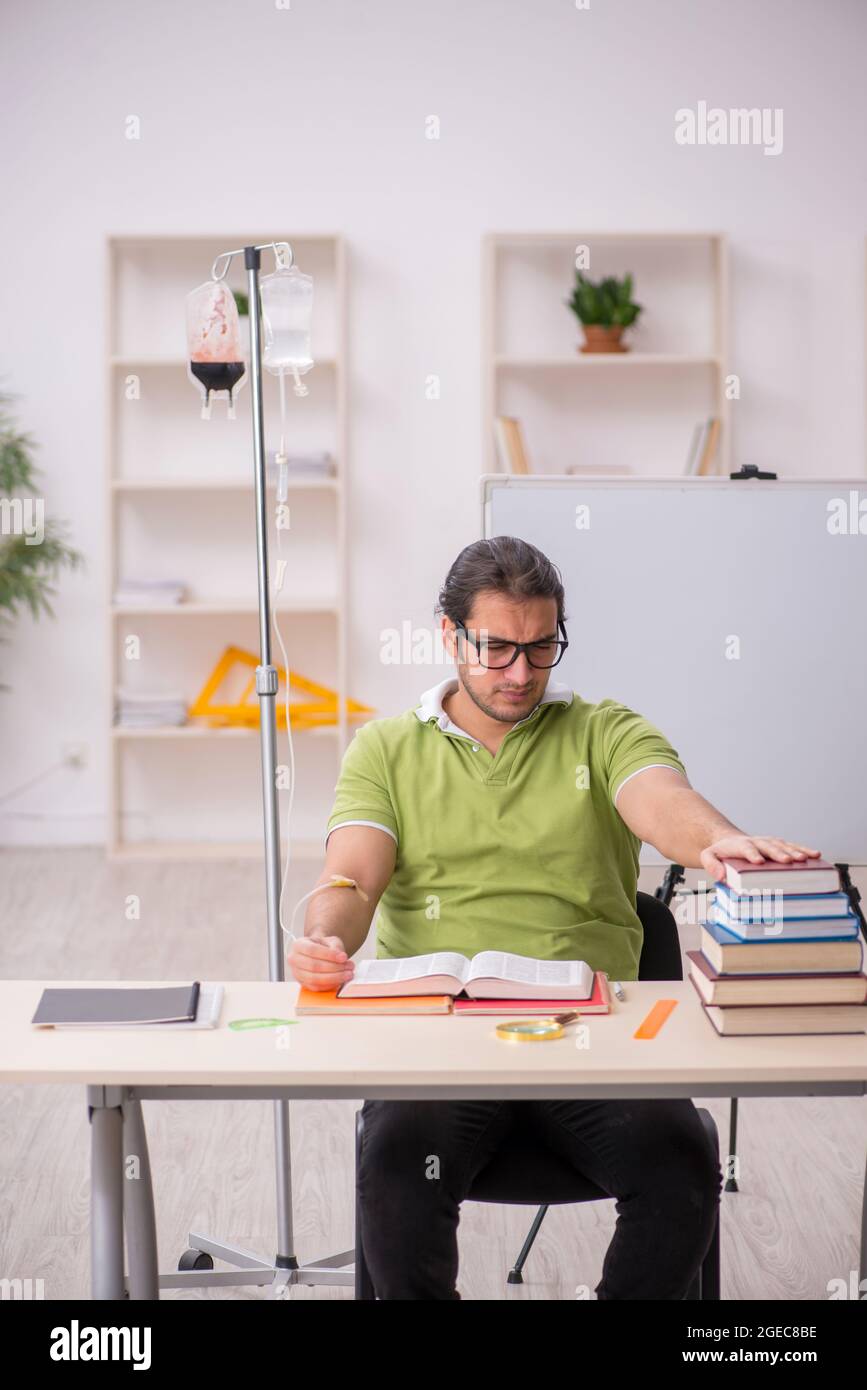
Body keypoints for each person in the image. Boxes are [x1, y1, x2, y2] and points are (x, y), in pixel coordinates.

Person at [287, 536, 820, 1299]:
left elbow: (663, 803)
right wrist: (324, 937)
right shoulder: (385, 748)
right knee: (399, 1161)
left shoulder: (603, 730)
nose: (520, 673)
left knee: (677, 1161)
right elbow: (352, 878)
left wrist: (721, 844)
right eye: (497, 648)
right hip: (439, 1039)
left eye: (541, 649)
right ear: (449, 636)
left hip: (592, 1037)